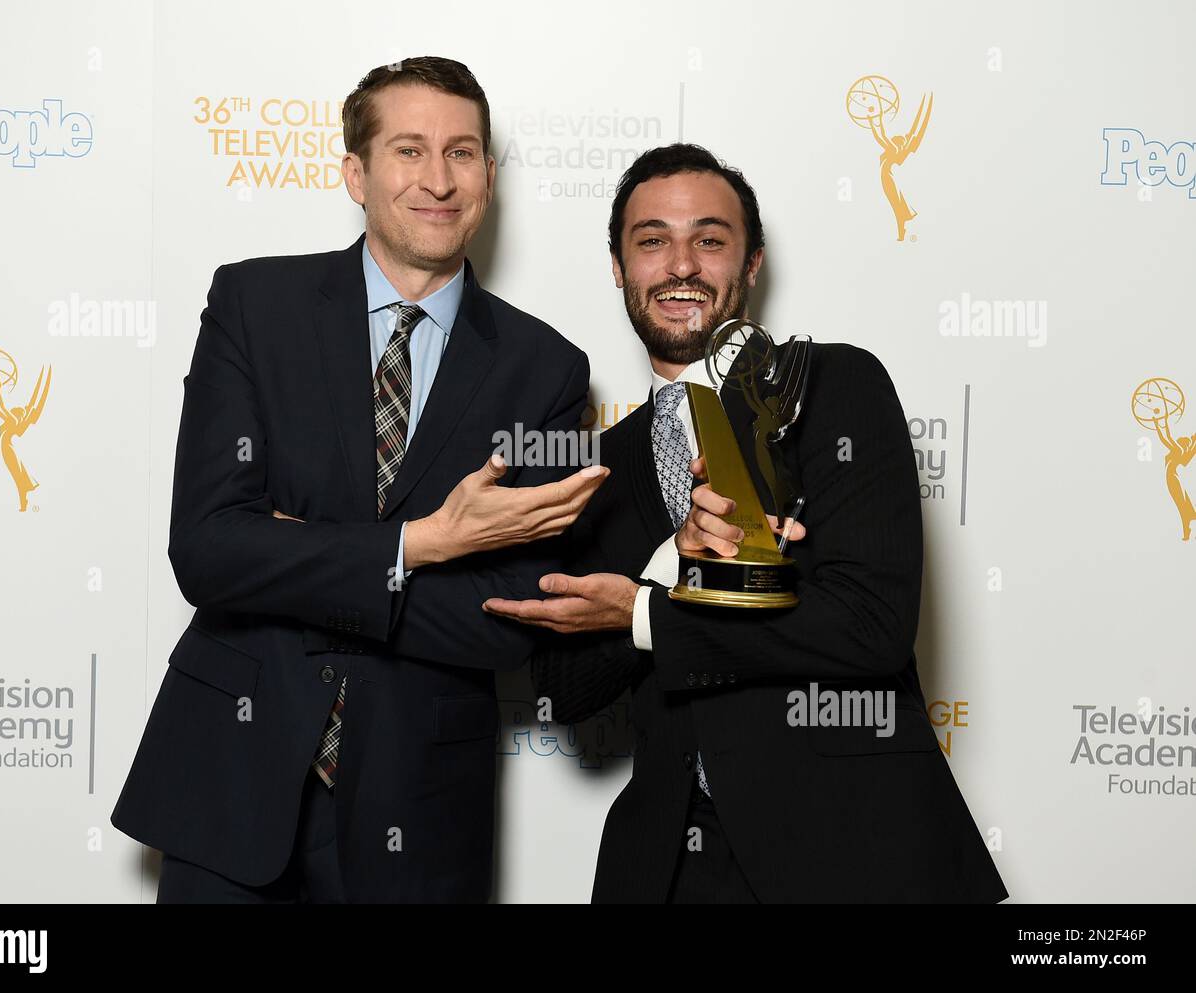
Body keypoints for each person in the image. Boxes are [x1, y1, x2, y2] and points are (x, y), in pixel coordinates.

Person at [111, 56, 606, 903]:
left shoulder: (547, 370)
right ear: (356, 172)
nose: (438, 180)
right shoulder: (253, 306)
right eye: (409, 150)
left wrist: (299, 552)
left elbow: (511, 620)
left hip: (419, 808)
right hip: (232, 783)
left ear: (489, 176)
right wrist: (424, 546)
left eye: (462, 153)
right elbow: (209, 550)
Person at [484, 143, 1008, 903]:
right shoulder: (596, 462)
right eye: (652, 240)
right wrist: (669, 560)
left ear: (752, 262)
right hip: (671, 865)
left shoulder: (833, 385)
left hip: (856, 851)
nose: (681, 265)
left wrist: (643, 615)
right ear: (618, 265)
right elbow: (565, 687)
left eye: (710, 239)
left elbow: (870, 625)